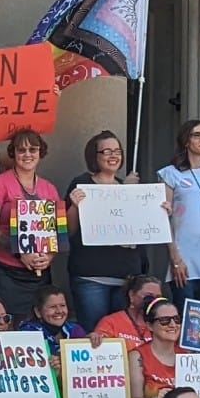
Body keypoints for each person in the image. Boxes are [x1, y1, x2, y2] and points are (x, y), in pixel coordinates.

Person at [0, 129, 66, 320]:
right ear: (13, 152)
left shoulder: (49, 188)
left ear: (41, 152)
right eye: (21, 150)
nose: (27, 154)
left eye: (33, 149)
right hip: (3, 271)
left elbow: (58, 232)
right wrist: (19, 252)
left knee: (37, 324)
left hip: (39, 273)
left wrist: (49, 256)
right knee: (4, 323)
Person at [65, 130, 145, 331]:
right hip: (91, 277)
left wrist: (160, 211)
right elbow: (68, 230)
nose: (113, 156)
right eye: (106, 151)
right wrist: (74, 206)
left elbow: (141, 226)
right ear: (95, 156)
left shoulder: (129, 188)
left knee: (124, 336)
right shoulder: (82, 183)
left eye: (117, 151)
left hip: (126, 278)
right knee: (94, 335)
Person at [158, 119, 200, 314]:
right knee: (189, 320)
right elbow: (164, 218)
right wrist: (175, 258)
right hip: (185, 260)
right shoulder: (171, 174)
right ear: (186, 141)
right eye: (197, 135)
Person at [91, 273, 166, 350]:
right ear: (132, 295)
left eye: (158, 298)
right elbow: (99, 350)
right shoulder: (110, 322)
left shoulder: (163, 324)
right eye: (149, 296)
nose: (154, 301)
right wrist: (95, 339)